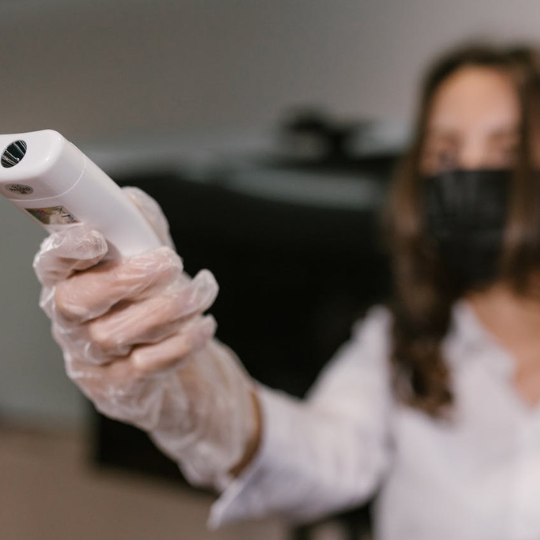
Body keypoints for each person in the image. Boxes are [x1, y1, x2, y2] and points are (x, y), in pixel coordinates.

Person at [32, 42, 540, 539]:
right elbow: (320, 456)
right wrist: (196, 391)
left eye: (509, 150)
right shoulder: (396, 344)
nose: (472, 174)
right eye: (445, 154)